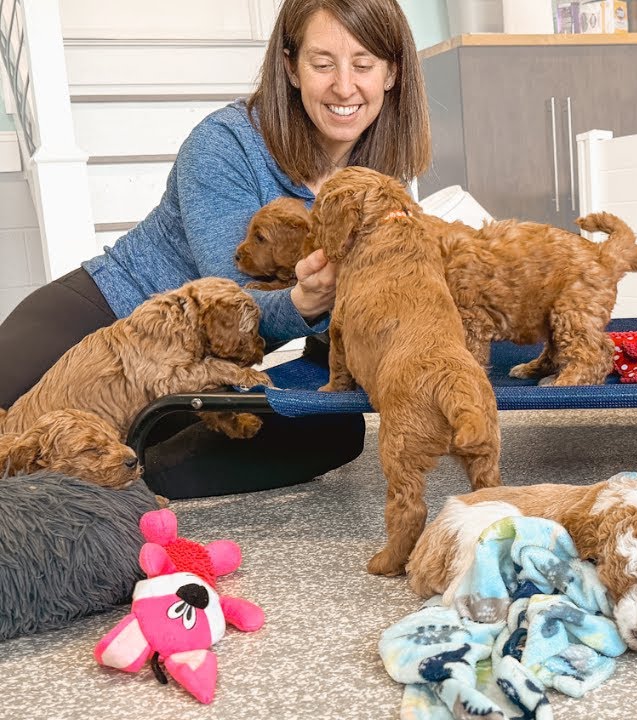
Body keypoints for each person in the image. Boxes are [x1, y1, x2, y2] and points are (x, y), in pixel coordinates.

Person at [0, 0, 431, 499]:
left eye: (362, 65)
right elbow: (231, 296)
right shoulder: (225, 143)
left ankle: (120, 480)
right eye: (321, 64)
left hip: (197, 369)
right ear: (290, 67)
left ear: (392, 74)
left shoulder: (382, 182)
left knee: (335, 427)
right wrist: (304, 302)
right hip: (105, 314)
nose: (343, 86)